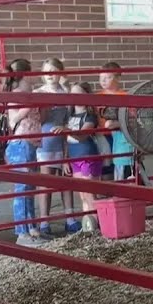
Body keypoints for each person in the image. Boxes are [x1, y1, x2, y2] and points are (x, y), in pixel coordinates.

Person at [2, 58, 45, 246]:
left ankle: (32, 228)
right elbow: (15, 118)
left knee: (29, 188)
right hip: (21, 143)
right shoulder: (18, 94)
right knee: (22, 188)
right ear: (25, 75)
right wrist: (32, 102)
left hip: (31, 143)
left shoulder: (28, 93)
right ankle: (22, 232)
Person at [35, 58, 78, 236]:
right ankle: (44, 221)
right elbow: (40, 119)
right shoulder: (38, 92)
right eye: (47, 71)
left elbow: (71, 116)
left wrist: (67, 90)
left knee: (66, 180)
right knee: (46, 182)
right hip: (46, 141)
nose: (51, 74)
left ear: (60, 72)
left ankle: (70, 218)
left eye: (54, 70)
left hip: (63, 139)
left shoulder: (67, 91)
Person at [65, 82, 101, 233]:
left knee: (90, 193)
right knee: (83, 195)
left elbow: (83, 135)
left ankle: (98, 224)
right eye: (73, 93)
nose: (76, 97)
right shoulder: (70, 116)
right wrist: (65, 159)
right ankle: (88, 225)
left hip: (88, 156)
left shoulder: (90, 116)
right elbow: (66, 140)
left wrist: (66, 130)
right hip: (74, 158)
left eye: (79, 93)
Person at [97, 61, 134, 181]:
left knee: (119, 161)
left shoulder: (124, 96)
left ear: (118, 78)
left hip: (119, 135)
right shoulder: (97, 97)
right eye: (101, 77)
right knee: (106, 164)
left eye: (108, 77)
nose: (103, 81)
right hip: (103, 135)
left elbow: (131, 116)